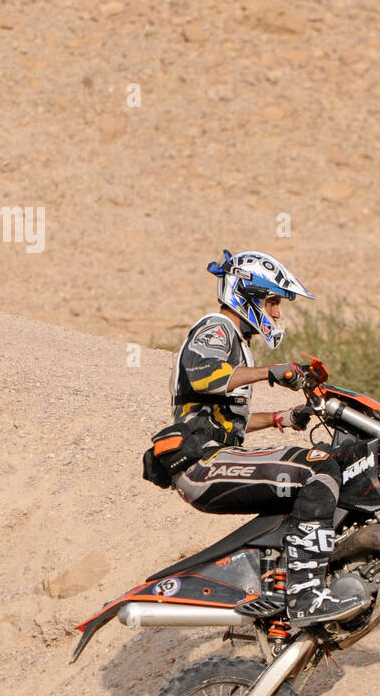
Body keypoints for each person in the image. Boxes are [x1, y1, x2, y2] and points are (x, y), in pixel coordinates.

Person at [142, 250, 366, 627]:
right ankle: (306, 595)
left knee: (314, 464)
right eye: (273, 302)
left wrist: (284, 417)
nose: (276, 313)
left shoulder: (236, 342)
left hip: (217, 456)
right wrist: (270, 372)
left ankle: (284, 581)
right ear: (246, 295)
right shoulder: (216, 328)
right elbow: (205, 378)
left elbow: (232, 421)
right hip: (201, 464)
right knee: (317, 468)